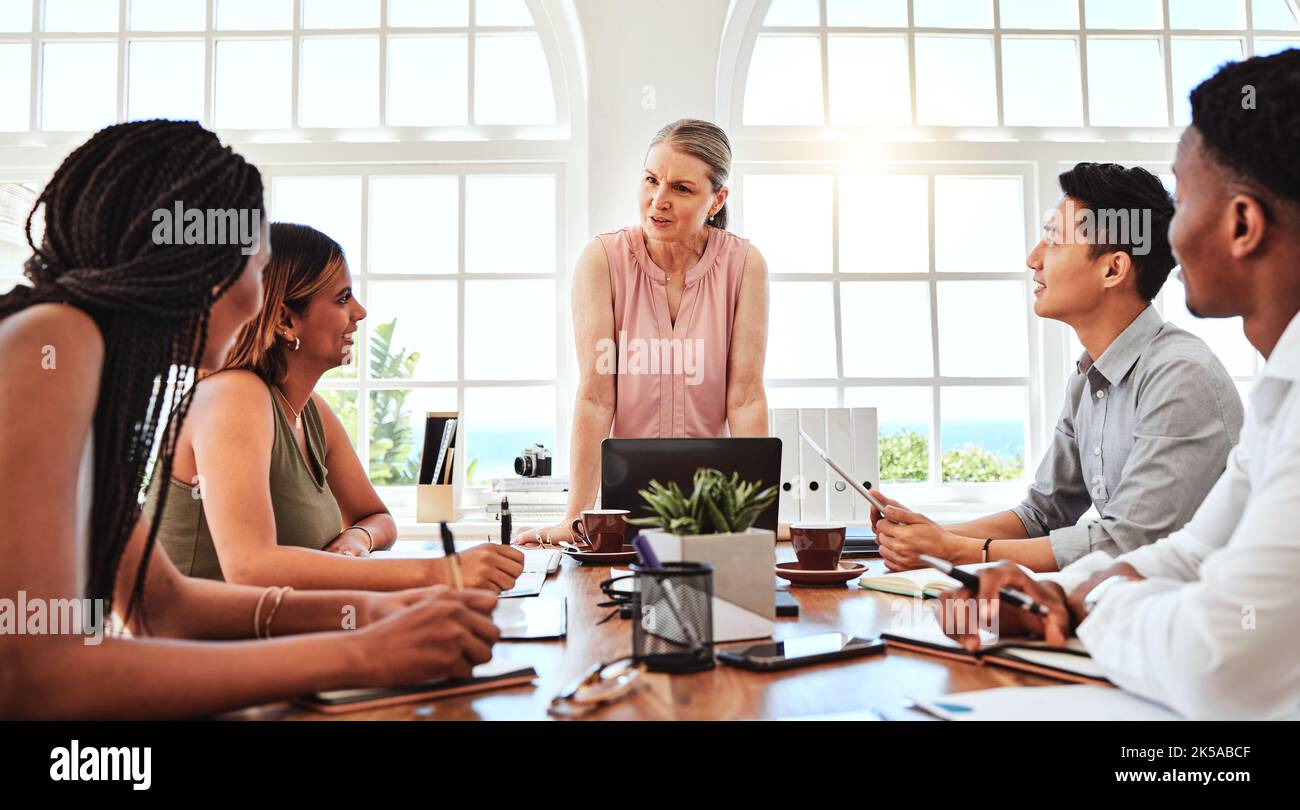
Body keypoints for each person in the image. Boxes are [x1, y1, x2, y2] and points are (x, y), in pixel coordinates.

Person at [0, 121, 498, 719]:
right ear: (203, 263)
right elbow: (32, 678)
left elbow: (166, 610)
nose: (260, 293)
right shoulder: (56, 339)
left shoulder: (95, 375)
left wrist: (371, 615)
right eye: (257, 266)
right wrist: (361, 652)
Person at [935, 49, 1300, 720]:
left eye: (1184, 201)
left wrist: (1093, 601)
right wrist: (1066, 592)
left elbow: (1218, 662)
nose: (1170, 232)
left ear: (1242, 225)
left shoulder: (1196, 376)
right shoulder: (1284, 393)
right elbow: (1191, 553)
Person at [870, 163, 1243, 572]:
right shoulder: (1089, 379)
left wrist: (951, 550)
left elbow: (1127, 544)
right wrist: (927, 534)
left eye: (1053, 241)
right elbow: (1041, 515)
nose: (1033, 259)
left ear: (1113, 268)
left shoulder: (1180, 376)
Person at [147, 222, 523, 591]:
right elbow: (251, 568)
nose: (359, 312)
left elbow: (376, 517)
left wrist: (359, 537)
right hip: (205, 650)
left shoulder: (311, 412)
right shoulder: (233, 396)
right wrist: (442, 573)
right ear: (285, 320)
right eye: (343, 298)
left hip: (275, 639)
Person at [516, 119, 770, 545]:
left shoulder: (744, 266)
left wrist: (755, 519)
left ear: (716, 199)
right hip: (623, 510)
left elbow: (744, 396)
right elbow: (596, 396)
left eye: (681, 189)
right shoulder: (602, 260)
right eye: (651, 180)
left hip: (712, 512)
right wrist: (576, 516)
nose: (658, 200)